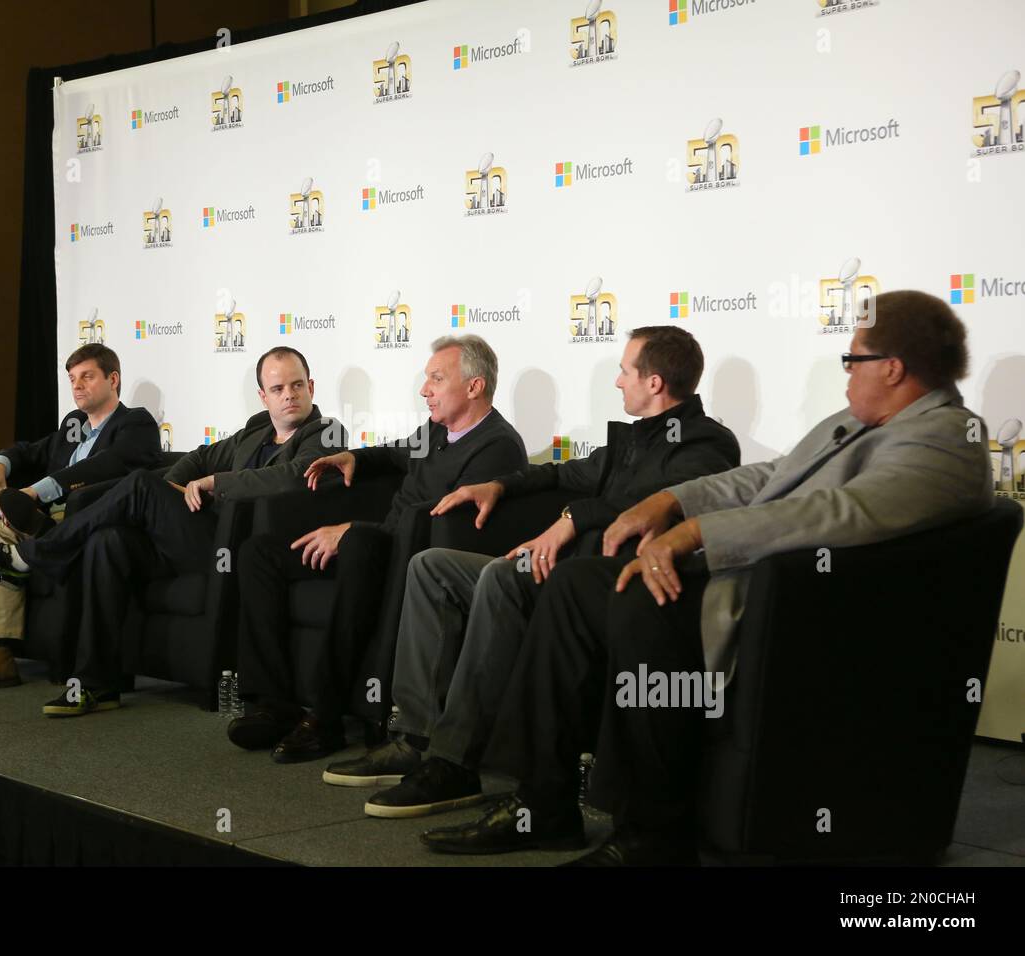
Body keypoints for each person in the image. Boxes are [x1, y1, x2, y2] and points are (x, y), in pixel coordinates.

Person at [418, 290, 995, 859]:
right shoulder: (855, 420)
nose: (845, 375)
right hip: (751, 582)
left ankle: (651, 836)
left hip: (793, 612)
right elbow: (768, 475)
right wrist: (670, 501)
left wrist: (697, 533)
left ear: (892, 368)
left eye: (853, 360)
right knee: (574, 587)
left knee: (640, 597)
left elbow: (841, 514)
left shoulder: (945, 439)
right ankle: (540, 807)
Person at [324, 326, 740, 818]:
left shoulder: (707, 442)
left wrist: (572, 519)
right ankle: (415, 736)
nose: (616, 382)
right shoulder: (630, 441)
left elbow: (665, 499)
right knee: (433, 566)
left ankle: (455, 764)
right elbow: (561, 473)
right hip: (559, 571)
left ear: (653, 382)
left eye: (625, 371)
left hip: (613, 586)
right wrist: (496, 486)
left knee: (504, 576)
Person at [0, 348, 345, 716]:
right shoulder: (255, 433)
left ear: (310, 387)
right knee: (107, 542)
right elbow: (198, 457)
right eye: (278, 388)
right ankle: (96, 684)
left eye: (296, 385)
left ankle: (27, 555)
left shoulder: (325, 432)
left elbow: (291, 477)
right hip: (194, 534)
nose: (288, 395)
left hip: (237, 548)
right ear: (264, 396)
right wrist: (174, 487)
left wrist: (212, 484)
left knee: (140, 483)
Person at [229, 334, 527, 763]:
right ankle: (274, 702)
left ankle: (327, 718)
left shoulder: (496, 446)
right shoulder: (437, 430)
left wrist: (352, 528)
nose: (424, 390)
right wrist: (355, 458)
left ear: (474, 386)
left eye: (436, 379)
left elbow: (443, 519)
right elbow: (397, 453)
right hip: (375, 545)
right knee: (260, 553)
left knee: (362, 542)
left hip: (412, 556)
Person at [0, 343, 160, 693]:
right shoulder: (73, 425)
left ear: (113, 379)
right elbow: (27, 451)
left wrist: (35, 493)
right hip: (37, 518)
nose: (77, 385)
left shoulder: (136, 422)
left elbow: (108, 465)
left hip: (79, 519)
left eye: (87, 376)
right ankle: (14, 522)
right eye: (72, 379)